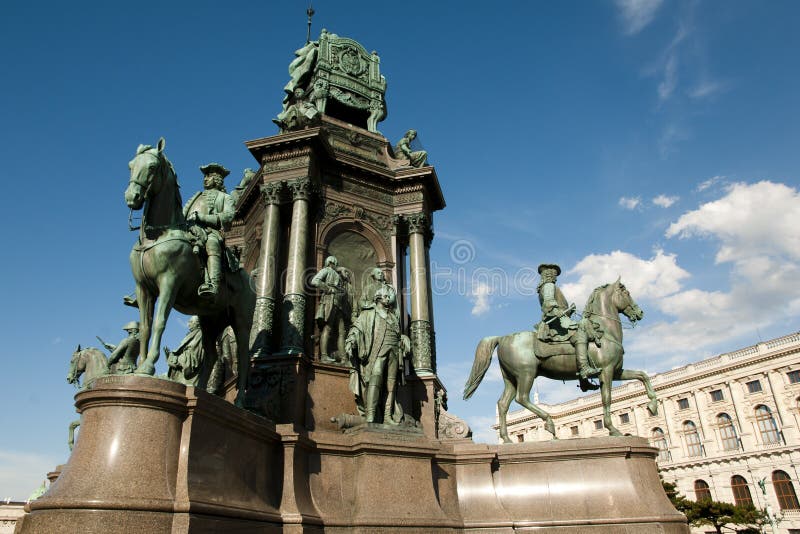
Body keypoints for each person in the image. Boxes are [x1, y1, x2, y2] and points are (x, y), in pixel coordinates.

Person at [345, 286, 410, 424]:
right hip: (378, 351)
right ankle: (371, 415)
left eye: (389, 297)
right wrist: (351, 341)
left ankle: (387, 416)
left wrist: (404, 339)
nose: (389, 299)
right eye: (386, 296)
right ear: (378, 297)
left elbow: (398, 335)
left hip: (394, 352)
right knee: (375, 378)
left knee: (391, 384)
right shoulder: (368, 314)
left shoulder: (392, 316)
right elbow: (357, 328)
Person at [536, 264, 601, 390]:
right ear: (549, 275)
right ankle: (584, 369)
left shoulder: (548, 286)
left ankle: (584, 381)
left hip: (561, 320)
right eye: (554, 274)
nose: (555, 277)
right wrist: (556, 311)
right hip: (556, 323)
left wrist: (568, 311)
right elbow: (548, 303)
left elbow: (556, 306)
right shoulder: (549, 286)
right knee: (580, 334)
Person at [183, 163, 235, 298]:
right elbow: (184, 214)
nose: (205, 179)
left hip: (212, 232)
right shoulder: (196, 196)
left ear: (217, 179)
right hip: (191, 231)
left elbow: (228, 216)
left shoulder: (225, 197)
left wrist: (202, 217)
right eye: (205, 176)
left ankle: (213, 284)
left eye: (209, 176)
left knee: (212, 244)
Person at [311, 256, 347, 363]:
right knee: (328, 328)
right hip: (330, 302)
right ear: (332, 262)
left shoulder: (337, 274)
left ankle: (343, 357)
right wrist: (328, 288)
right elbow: (315, 281)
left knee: (342, 332)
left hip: (338, 305)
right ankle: (324, 356)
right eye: (336, 263)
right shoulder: (327, 270)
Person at [165, 316, 204, 385]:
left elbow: (193, 357)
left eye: (191, 322)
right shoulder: (191, 334)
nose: (188, 324)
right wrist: (170, 356)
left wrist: (175, 359)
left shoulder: (200, 334)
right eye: (189, 322)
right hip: (181, 376)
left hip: (190, 379)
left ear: (198, 324)